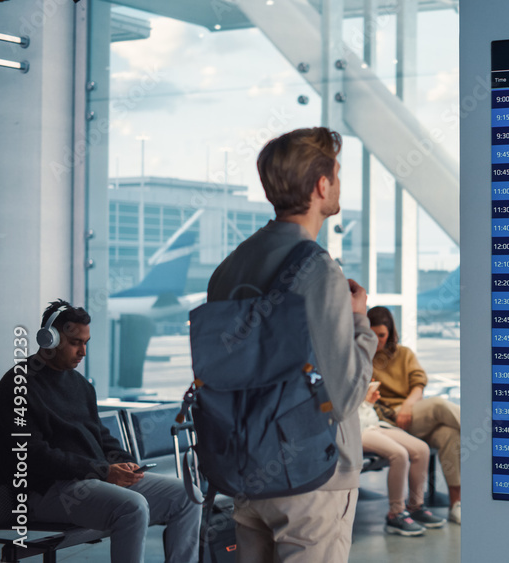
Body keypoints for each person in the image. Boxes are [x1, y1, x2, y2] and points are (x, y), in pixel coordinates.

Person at [207, 127, 377, 561]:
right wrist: (360, 322)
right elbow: (344, 395)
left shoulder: (229, 267)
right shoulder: (318, 269)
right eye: (336, 175)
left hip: (247, 469)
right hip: (312, 478)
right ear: (322, 185)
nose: (338, 184)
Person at [0, 300, 200, 563]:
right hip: (46, 490)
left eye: (86, 343)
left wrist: (123, 461)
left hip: (92, 481)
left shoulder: (81, 385)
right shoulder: (19, 384)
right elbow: (34, 455)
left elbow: (101, 437)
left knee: (187, 496)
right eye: (74, 343)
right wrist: (102, 470)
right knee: (132, 507)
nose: (82, 351)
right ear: (49, 339)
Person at [366, 306, 462, 524]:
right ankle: (496, 433)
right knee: (438, 405)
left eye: (382, 335)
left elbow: (418, 383)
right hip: (388, 419)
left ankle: (455, 504)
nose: (377, 340)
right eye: (372, 335)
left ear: (390, 332)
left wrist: (408, 406)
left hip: (410, 412)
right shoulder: (363, 357)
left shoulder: (404, 354)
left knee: (449, 435)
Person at [359, 381, 446, 536]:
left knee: (421, 449)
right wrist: (363, 400)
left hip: (373, 424)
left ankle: (415, 507)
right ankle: (395, 514)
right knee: (399, 454)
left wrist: (368, 401)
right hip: (357, 429)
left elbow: (366, 413)